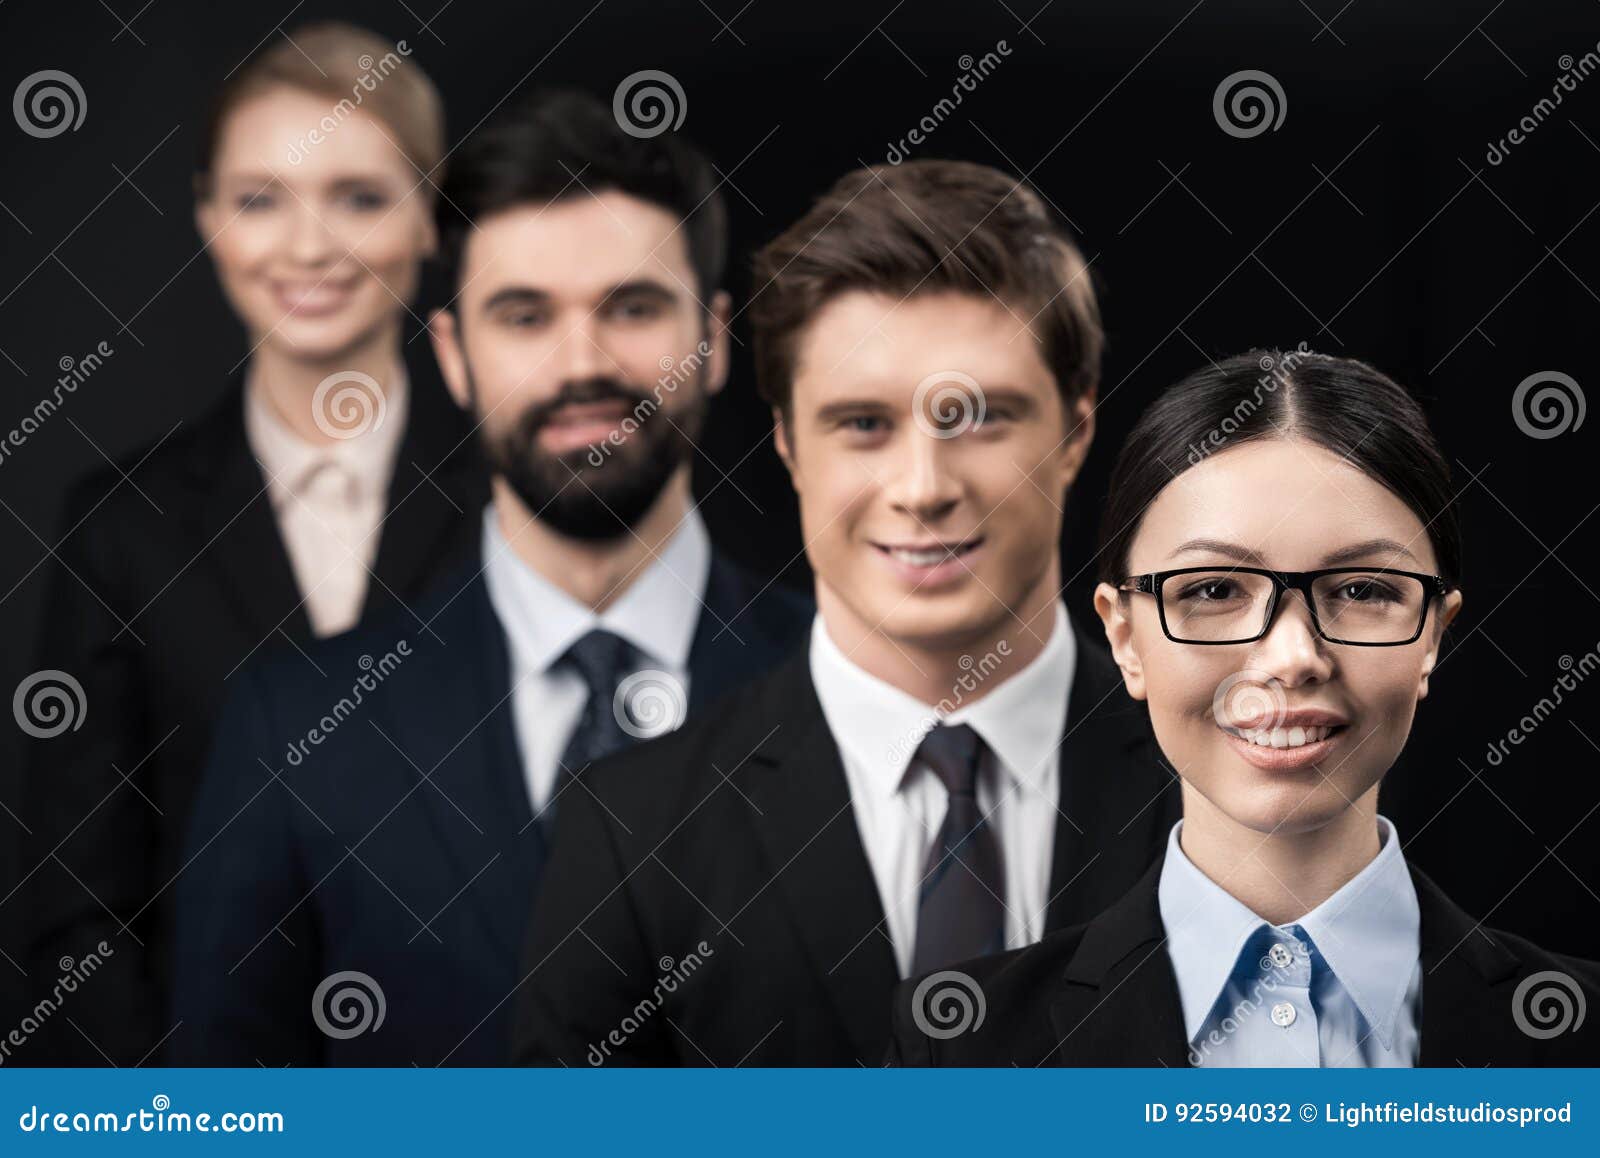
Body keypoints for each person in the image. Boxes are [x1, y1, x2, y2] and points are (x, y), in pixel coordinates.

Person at [166, 88, 812, 1066]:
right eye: (523, 316)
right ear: (454, 355)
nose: (582, 362)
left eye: (633, 307)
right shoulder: (293, 731)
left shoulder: (853, 685)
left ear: (715, 339)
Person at [513, 159, 1179, 1067]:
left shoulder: (1229, 782)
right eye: (863, 423)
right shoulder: (633, 834)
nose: (924, 488)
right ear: (788, 441)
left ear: (1075, 430)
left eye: (978, 417)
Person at [887, 349, 1600, 1066]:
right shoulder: (959, 1052)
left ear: (1432, 639)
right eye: (1214, 590)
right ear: (1125, 637)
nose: (1293, 657)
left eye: (1361, 591)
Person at [19, 22, 487, 1065]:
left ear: (428, 214)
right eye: (260, 198)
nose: (308, 247)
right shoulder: (122, 524)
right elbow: (74, 902)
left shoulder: (523, 498)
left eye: (359, 197)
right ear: (207, 218)